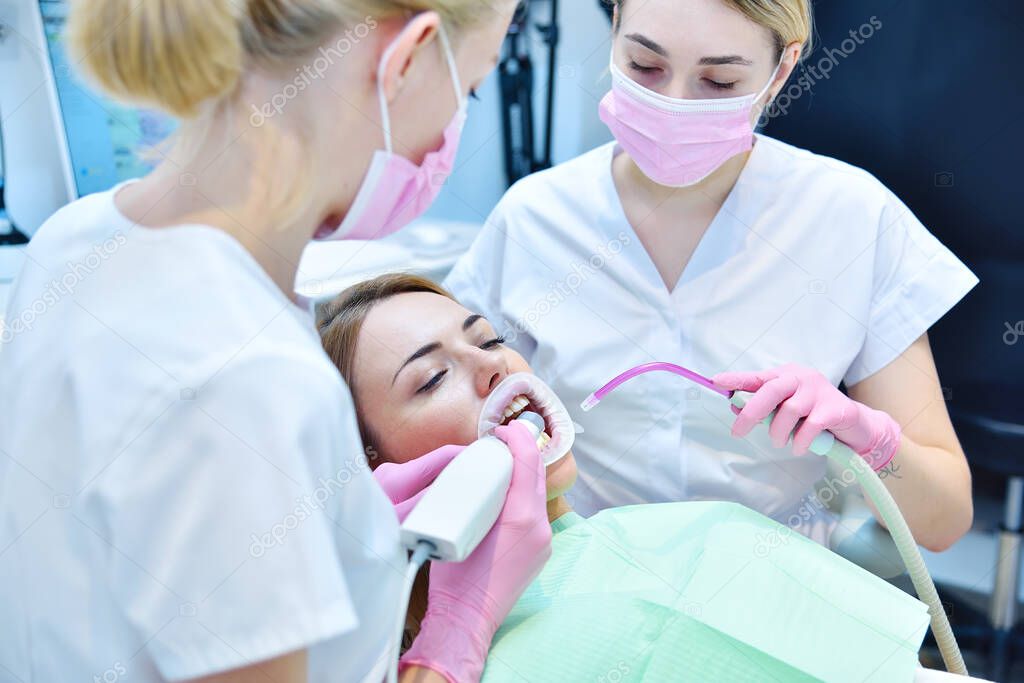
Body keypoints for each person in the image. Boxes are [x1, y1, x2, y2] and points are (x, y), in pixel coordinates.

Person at [0, 1, 550, 681]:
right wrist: (456, 632)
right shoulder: (246, 376)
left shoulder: (69, 241)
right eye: (466, 89)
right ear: (406, 60)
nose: (449, 133)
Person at [443, 0, 977, 550]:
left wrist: (870, 439)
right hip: (574, 576)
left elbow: (942, 522)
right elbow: (446, 447)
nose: (673, 103)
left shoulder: (854, 218)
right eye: (644, 66)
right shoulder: (535, 217)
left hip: (768, 587)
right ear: (614, 35)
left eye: (719, 81)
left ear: (782, 71)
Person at [316, 273, 991, 683]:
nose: (495, 366)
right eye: (432, 377)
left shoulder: (677, 529)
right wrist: (456, 629)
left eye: (490, 339)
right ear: (372, 474)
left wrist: (874, 442)